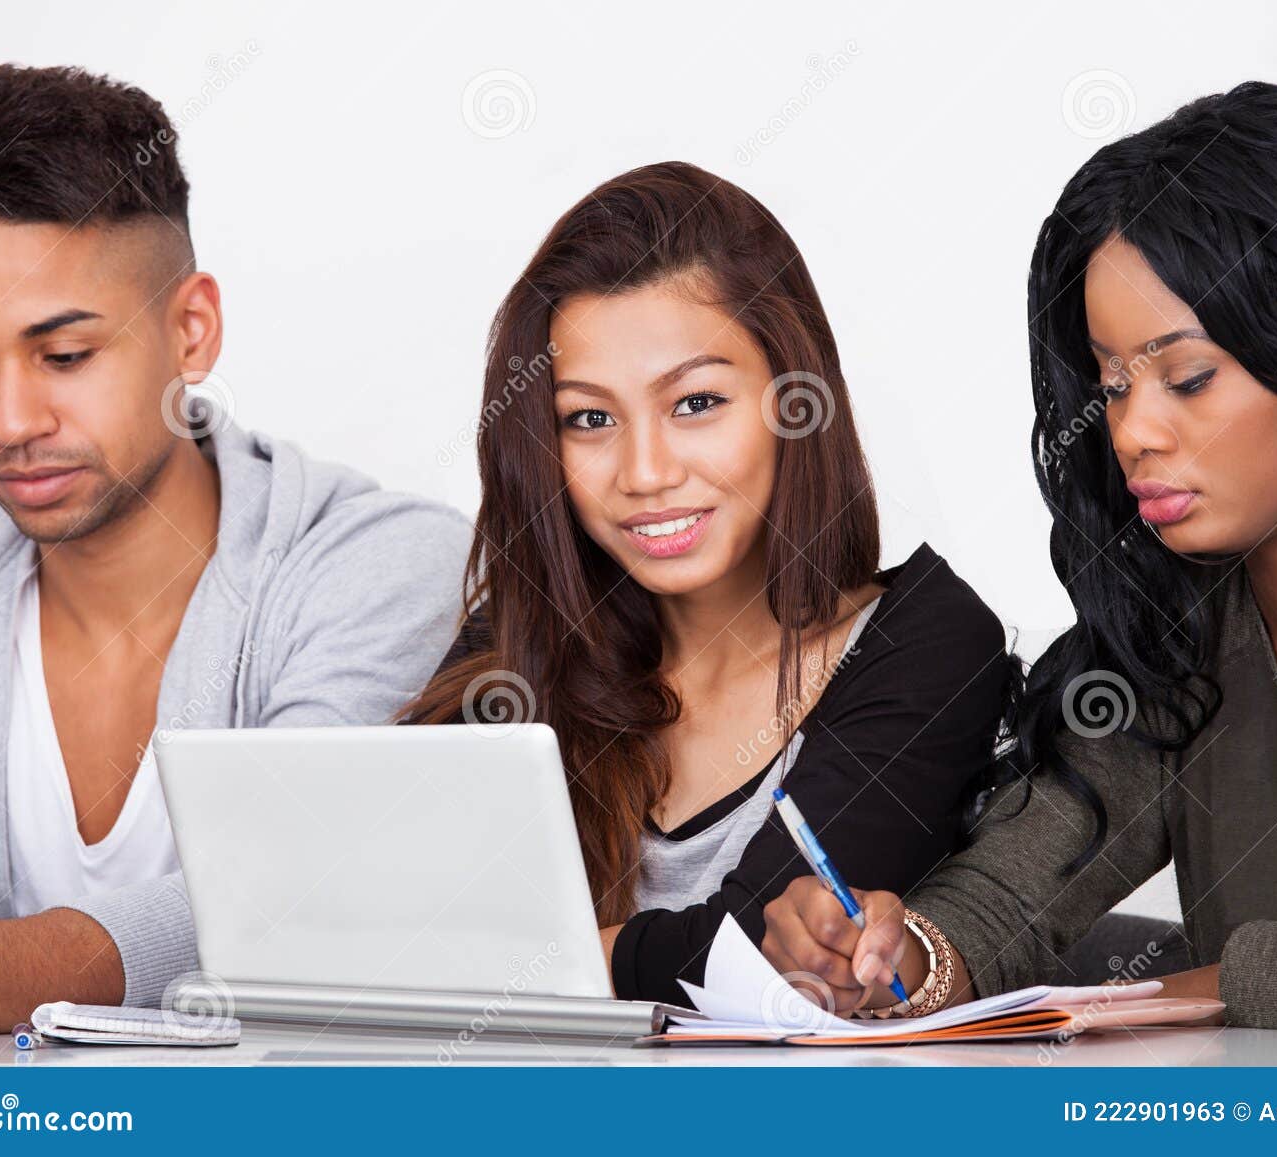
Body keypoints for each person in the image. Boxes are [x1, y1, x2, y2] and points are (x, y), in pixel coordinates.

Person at [761, 82, 1277, 1035]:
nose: (1132, 431)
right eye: (1112, 383)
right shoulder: (1182, 620)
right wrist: (894, 957)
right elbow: (1009, 898)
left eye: (1188, 377)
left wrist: (1141, 999)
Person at [0, 65, 469, 1031]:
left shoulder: (384, 567)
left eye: (64, 357)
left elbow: (267, 900)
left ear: (192, 329)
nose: (8, 420)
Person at [403, 161, 1012, 1006]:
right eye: (589, 418)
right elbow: (386, 918)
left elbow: (758, 960)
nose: (645, 472)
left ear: (794, 396)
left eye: (695, 402)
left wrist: (493, 962)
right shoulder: (521, 630)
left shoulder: (928, 647)